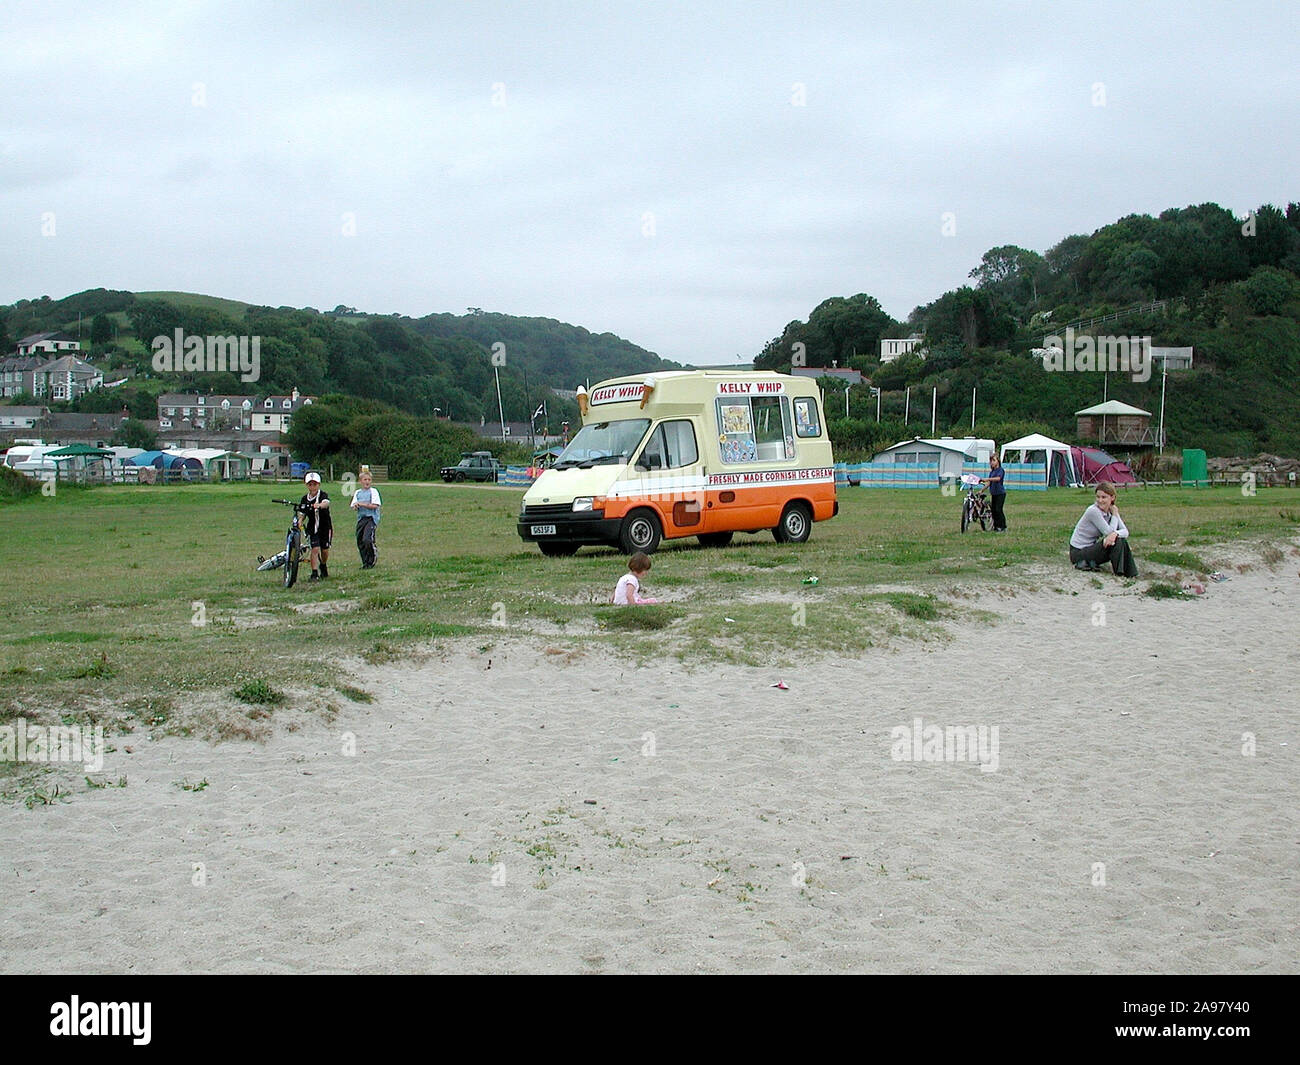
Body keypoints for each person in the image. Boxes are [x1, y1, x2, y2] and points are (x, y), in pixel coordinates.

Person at [1069, 482, 1138, 576]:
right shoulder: (1093, 511)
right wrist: (1114, 516)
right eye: (1098, 497)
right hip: (1078, 552)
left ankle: (1131, 573)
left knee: (1120, 540)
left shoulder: (1111, 511)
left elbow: (1125, 532)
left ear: (1112, 498)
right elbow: (1108, 532)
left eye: (1104, 497)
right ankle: (1120, 573)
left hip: (1091, 548)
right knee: (1115, 541)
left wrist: (1115, 534)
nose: (1100, 500)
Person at [300, 471, 332, 580]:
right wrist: (300, 521)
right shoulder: (305, 499)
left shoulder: (322, 495)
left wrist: (319, 505)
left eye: (315, 484)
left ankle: (323, 564)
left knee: (324, 550)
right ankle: (314, 572)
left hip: (324, 526)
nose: (312, 487)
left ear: (319, 485)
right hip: (312, 527)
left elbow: (326, 503)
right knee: (315, 549)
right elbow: (302, 513)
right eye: (310, 484)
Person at [349, 467, 382, 569]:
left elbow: (375, 505)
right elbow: (353, 505)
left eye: (369, 480)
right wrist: (356, 506)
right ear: (360, 481)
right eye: (365, 480)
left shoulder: (373, 492)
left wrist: (362, 504)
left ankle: (372, 558)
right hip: (361, 519)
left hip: (371, 519)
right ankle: (365, 562)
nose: (367, 482)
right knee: (360, 541)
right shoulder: (358, 493)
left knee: (367, 539)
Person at [981, 454, 1007, 532]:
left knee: (998, 510)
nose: (992, 462)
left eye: (994, 460)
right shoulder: (992, 472)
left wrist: (988, 479)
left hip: (1000, 493)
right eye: (991, 461)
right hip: (994, 493)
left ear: (998, 461)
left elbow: (998, 478)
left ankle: (1002, 526)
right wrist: (982, 490)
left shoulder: (1000, 470)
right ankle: (996, 526)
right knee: (994, 511)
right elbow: (989, 482)